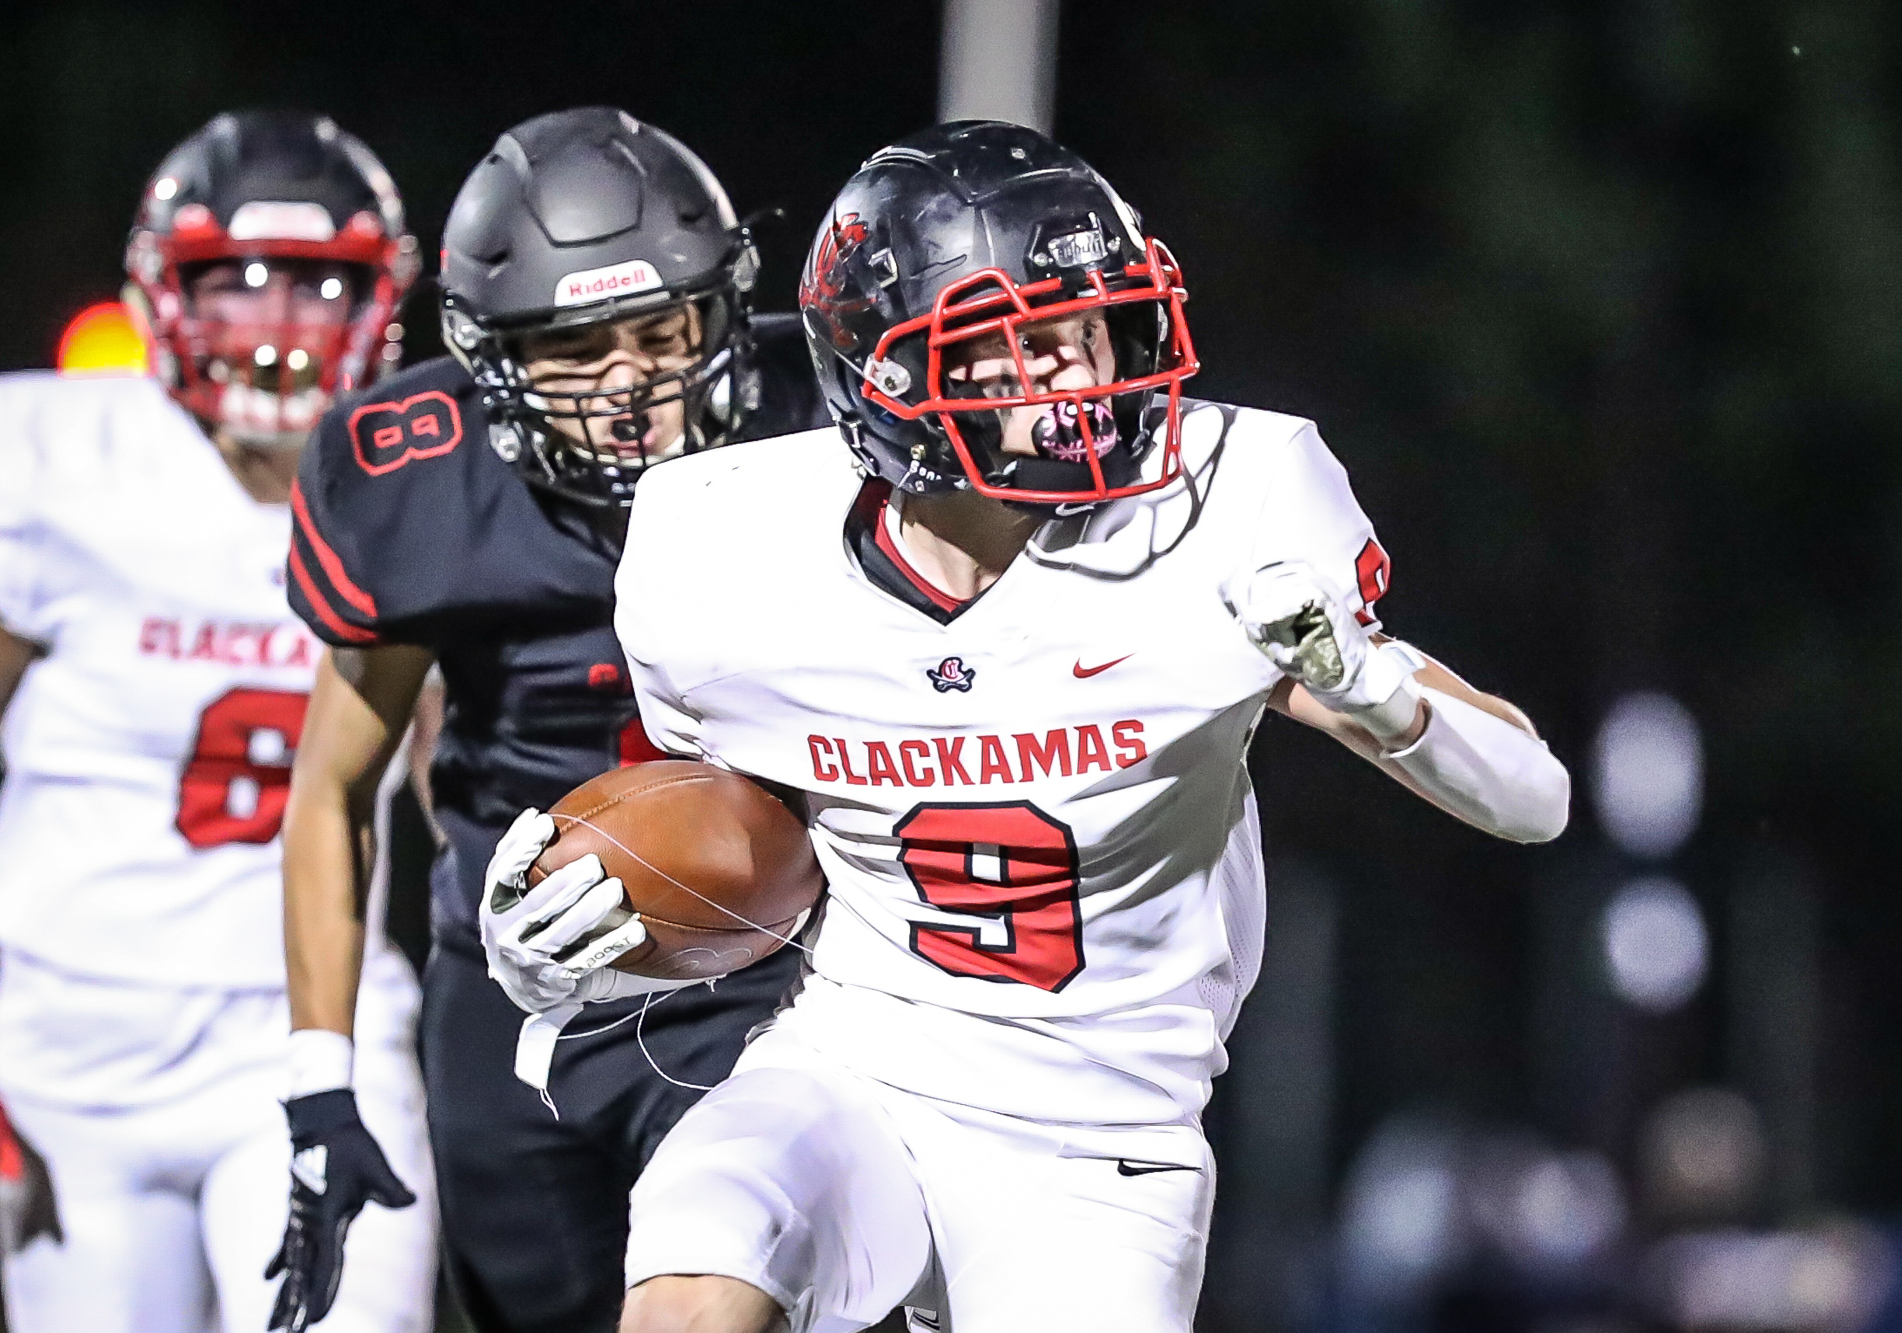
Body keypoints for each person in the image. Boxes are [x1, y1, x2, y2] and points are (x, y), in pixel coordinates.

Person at [479, 120, 1574, 1333]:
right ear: (885, 377)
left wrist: (1371, 687)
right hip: (856, 1075)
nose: (1079, 374)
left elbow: (1534, 798)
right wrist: (563, 953)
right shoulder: (724, 547)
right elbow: (723, 844)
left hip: (1098, 1143)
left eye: (1092, 326)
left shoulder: (1223, 510)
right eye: (1021, 344)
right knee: (704, 1230)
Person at [278, 106, 825, 1333]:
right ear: (490, 357)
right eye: (574, 348)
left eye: (657, 330)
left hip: (778, 972)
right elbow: (332, 785)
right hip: (515, 982)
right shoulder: (416, 479)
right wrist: (319, 1077)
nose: (626, 384)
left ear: (721, 307)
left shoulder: (829, 432)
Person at [0, 110, 436, 1333]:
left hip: (306, 1029)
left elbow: (472, 788)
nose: (278, 326)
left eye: (316, 285)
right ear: (159, 293)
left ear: (382, 297)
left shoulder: (421, 479)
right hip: (73, 1048)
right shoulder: (54, 463)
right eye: (234, 286)